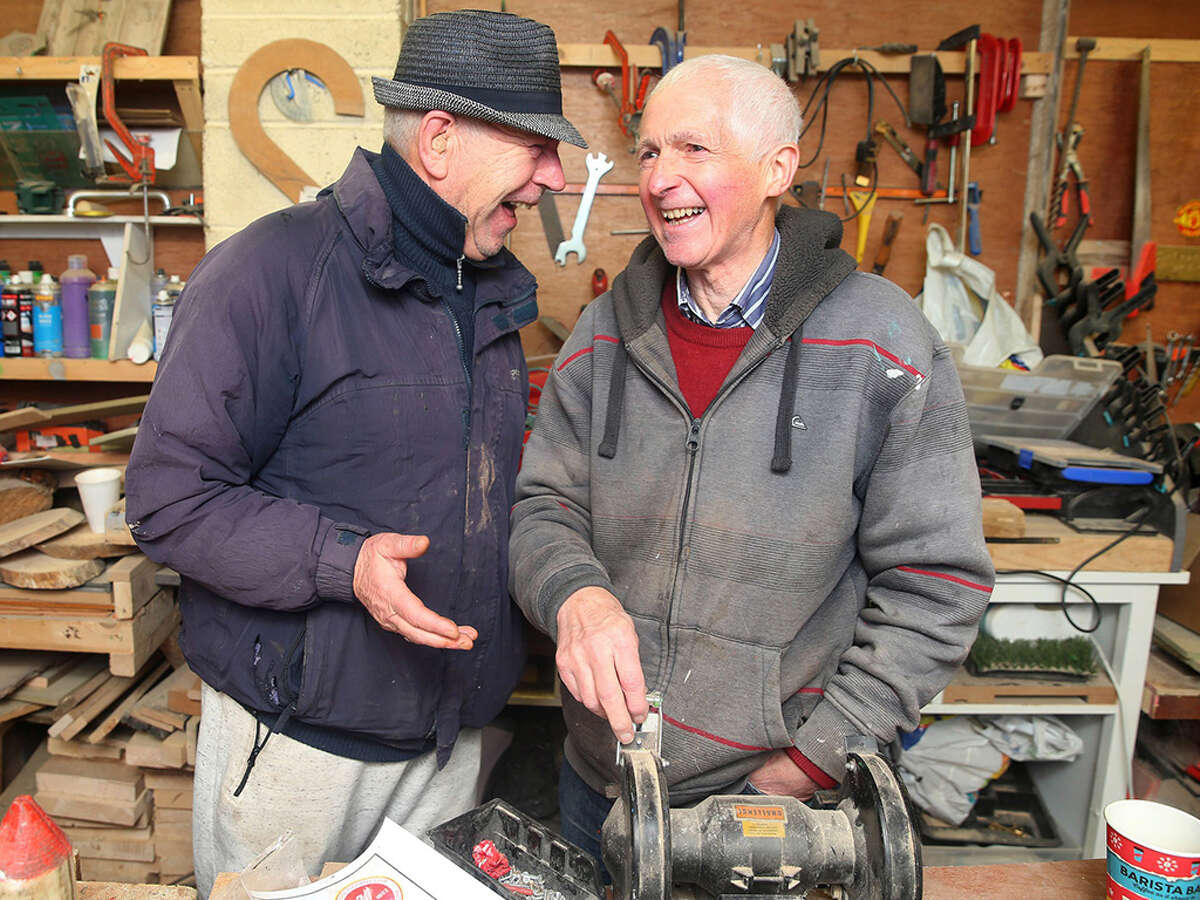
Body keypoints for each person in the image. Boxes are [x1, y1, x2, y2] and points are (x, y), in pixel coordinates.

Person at [123, 11, 585, 895]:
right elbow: (169, 500)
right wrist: (345, 563)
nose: (551, 179)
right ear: (441, 140)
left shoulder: (485, 292)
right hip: (298, 755)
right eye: (534, 146)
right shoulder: (267, 274)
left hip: (447, 749)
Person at [508, 54, 995, 873]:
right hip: (602, 789)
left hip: (779, 813)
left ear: (779, 168)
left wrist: (812, 763)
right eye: (651, 151)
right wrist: (577, 595)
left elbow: (938, 585)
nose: (662, 179)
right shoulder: (602, 333)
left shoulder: (882, 342)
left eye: (694, 149)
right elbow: (542, 507)